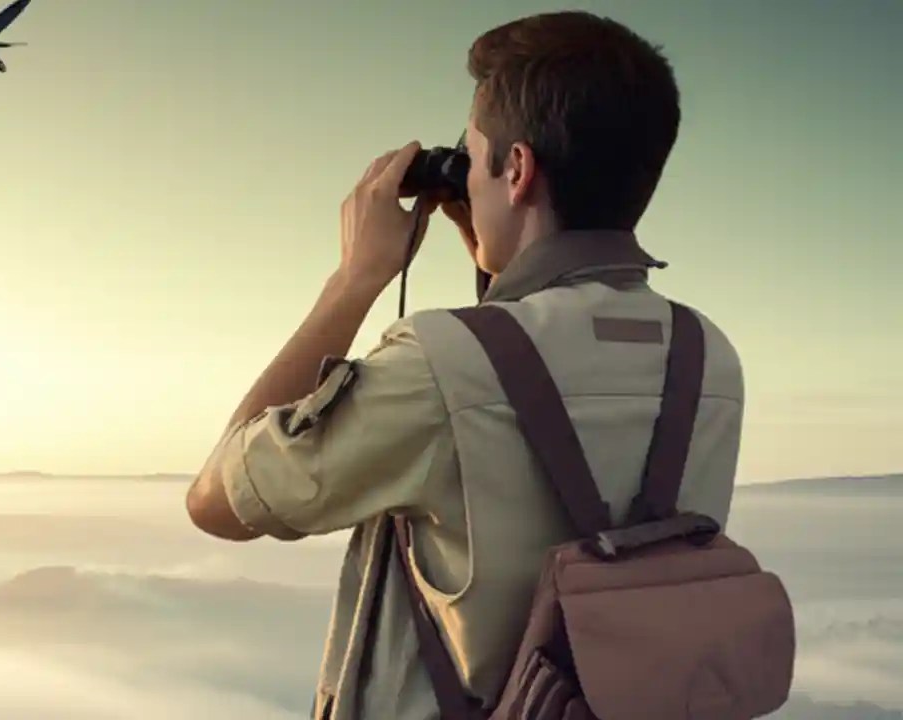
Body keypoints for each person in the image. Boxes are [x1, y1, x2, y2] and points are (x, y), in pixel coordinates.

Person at [185, 10, 744, 720]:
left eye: (474, 158)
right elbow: (536, 389)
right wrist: (495, 257)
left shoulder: (438, 367)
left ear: (517, 170)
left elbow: (219, 501)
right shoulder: (705, 354)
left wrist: (356, 278)